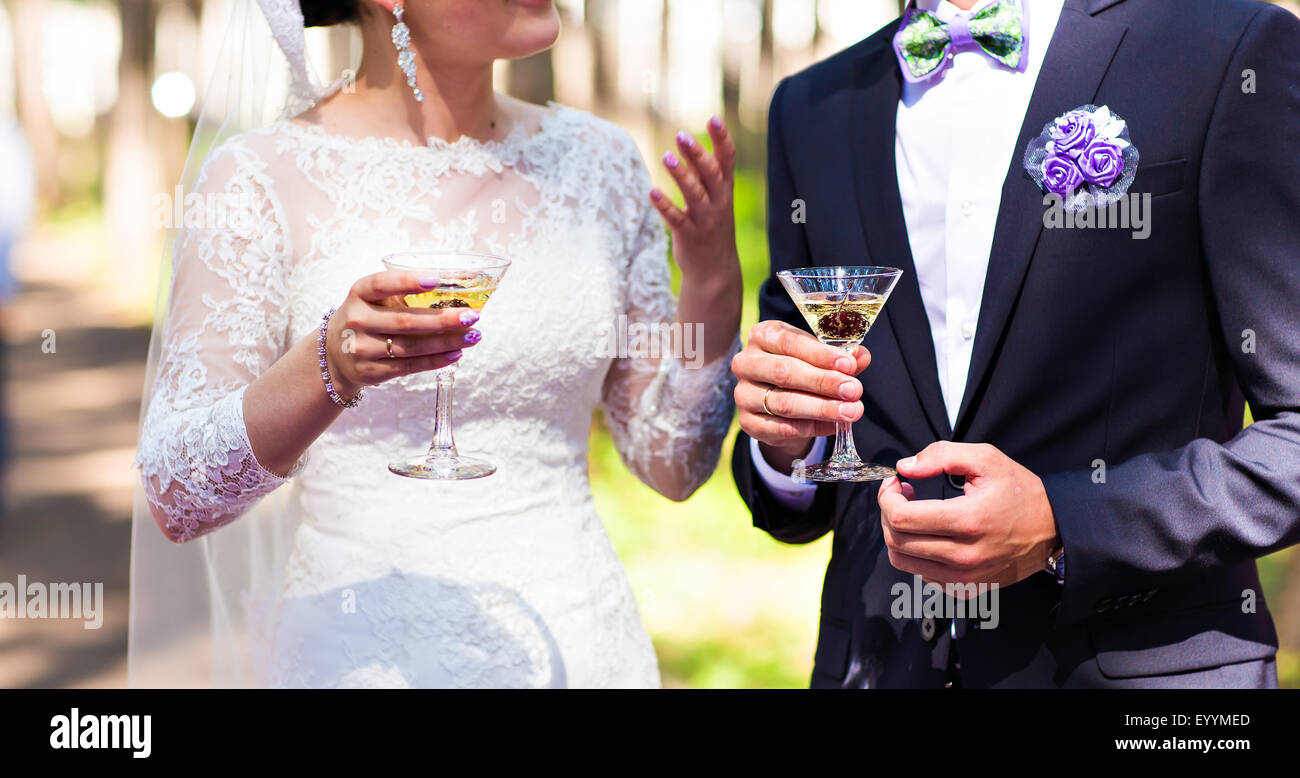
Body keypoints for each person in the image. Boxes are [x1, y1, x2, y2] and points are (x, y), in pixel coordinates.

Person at [130, 0, 742, 687]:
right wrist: (328, 367)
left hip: (583, 644)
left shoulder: (600, 164)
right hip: (361, 658)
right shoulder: (255, 178)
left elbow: (674, 462)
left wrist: (714, 284)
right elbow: (178, 496)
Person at [731, 0, 1300, 687]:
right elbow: (803, 489)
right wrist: (787, 443)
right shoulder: (809, 105)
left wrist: (1068, 520)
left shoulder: (1227, 45)